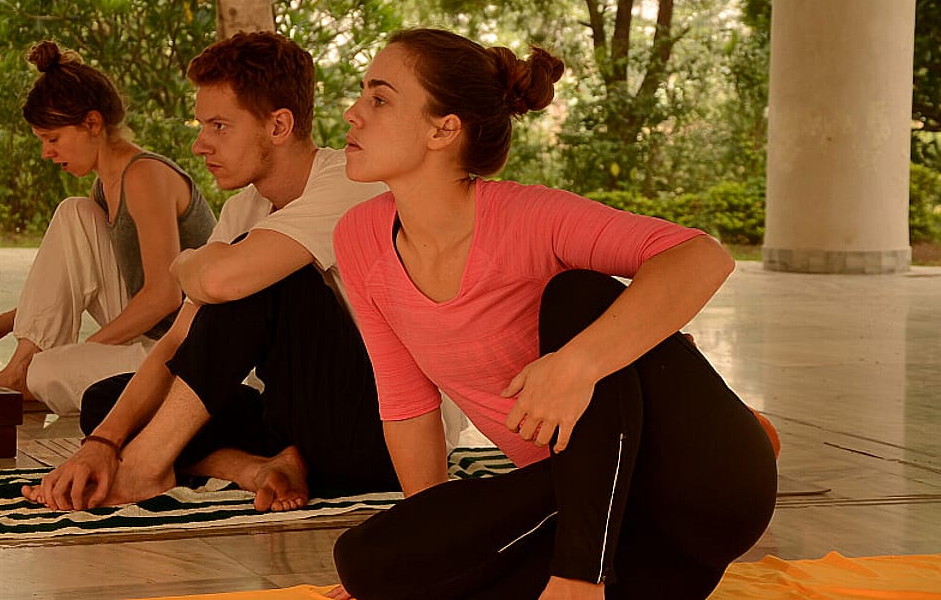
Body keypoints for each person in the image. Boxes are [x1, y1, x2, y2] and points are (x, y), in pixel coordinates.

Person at [330, 29, 777, 600]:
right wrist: (432, 545)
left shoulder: (528, 218)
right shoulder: (361, 238)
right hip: (629, 531)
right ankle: (581, 571)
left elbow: (703, 255)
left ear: (443, 129)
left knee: (578, 294)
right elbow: (406, 403)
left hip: (702, 490)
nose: (352, 112)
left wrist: (576, 365)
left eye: (379, 98)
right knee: (366, 561)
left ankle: (578, 579)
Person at [20, 31, 398, 513]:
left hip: (375, 434)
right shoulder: (246, 205)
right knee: (107, 404)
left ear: (279, 125)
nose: (200, 145)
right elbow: (177, 340)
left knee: (262, 275)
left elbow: (218, 281)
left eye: (219, 126)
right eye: (202, 125)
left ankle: (146, 468)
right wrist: (104, 444)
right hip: (290, 423)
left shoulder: (348, 183)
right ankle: (255, 468)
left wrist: (189, 265)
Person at [0, 41, 217, 416]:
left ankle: (26, 376)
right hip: (149, 338)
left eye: (53, 138)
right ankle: (20, 369)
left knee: (48, 370)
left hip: (187, 350)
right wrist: (5, 322)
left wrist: (87, 350)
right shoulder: (103, 186)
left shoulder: (145, 175)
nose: (47, 152)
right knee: (73, 212)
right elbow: (70, 276)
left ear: (92, 123)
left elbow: (165, 295)